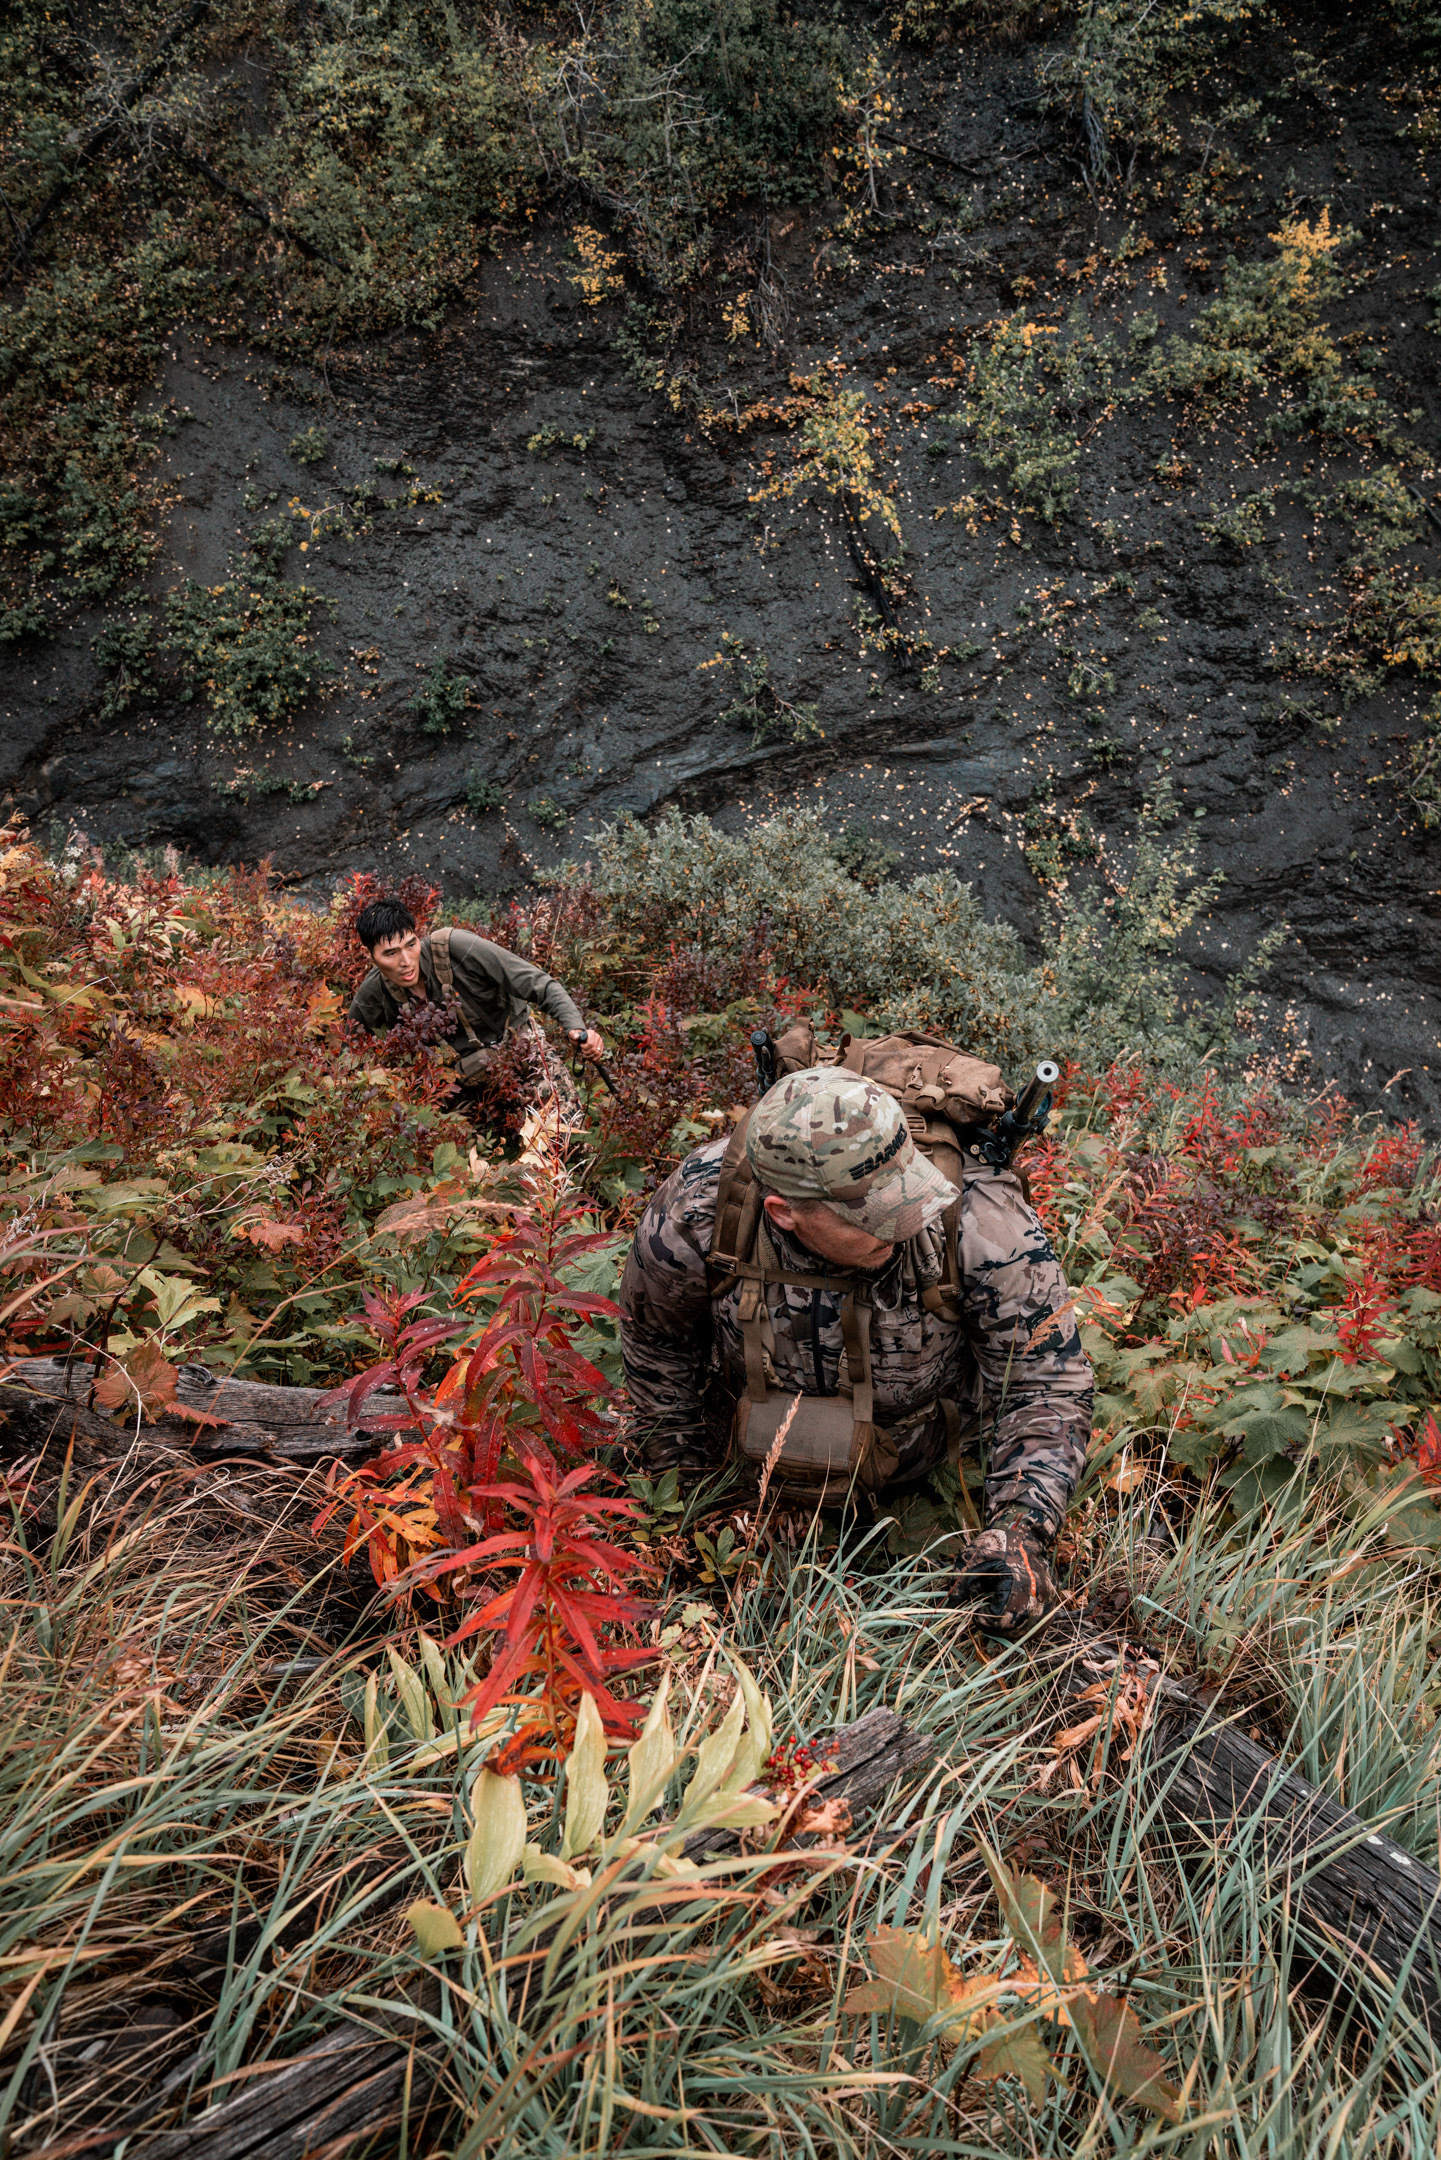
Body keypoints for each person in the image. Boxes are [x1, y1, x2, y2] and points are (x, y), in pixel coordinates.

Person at [618, 1066, 1092, 1631]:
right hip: (745, 1469)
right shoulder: (698, 1209)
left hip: (919, 1472)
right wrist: (688, 1493)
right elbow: (657, 1344)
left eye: (908, 1192)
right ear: (783, 1212)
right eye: (875, 1215)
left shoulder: (980, 1223)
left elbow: (1045, 1385)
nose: (909, 1223)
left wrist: (1020, 1530)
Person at [347, 898, 604, 1105]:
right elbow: (349, 1050)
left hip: (519, 1046)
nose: (406, 961)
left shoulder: (456, 947)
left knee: (562, 1126)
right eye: (391, 953)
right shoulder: (373, 993)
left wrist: (575, 1027)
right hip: (460, 1082)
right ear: (371, 956)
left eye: (410, 945)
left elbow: (538, 983)